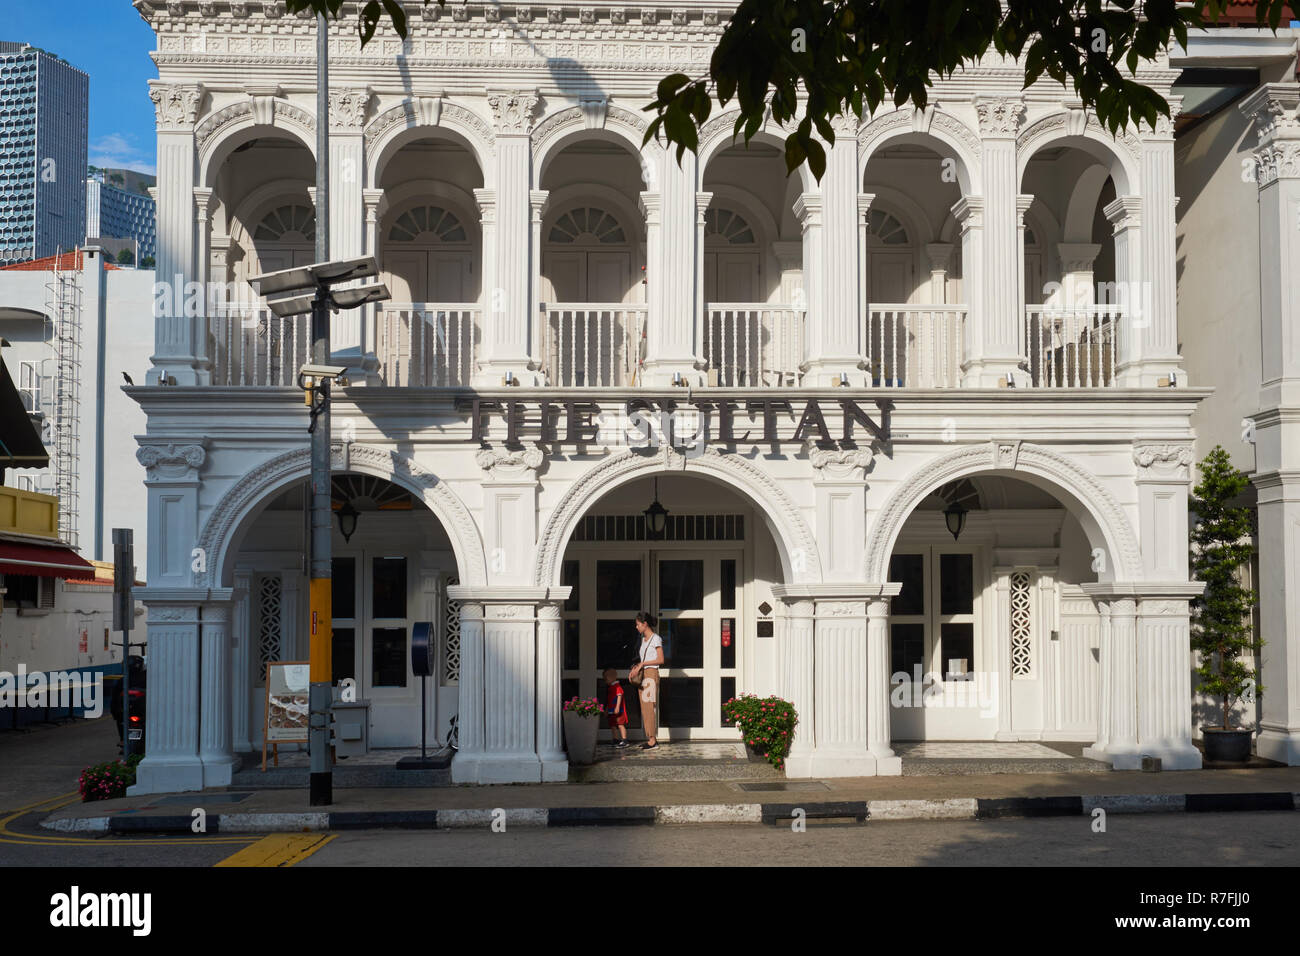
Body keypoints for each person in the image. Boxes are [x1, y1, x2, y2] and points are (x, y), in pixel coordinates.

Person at [628, 611, 664, 750]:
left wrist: (643, 664)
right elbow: (643, 659)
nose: (636, 627)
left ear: (645, 624)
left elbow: (660, 660)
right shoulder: (643, 640)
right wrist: (636, 668)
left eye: (638, 624)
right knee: (644, 707)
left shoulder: (656, 639)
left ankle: (652, 740)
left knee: (649, 706)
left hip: (651, 674)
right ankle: (650, 739)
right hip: (643, 674)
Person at [603, 667, 629, 749]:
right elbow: (609, 700)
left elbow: (619, 696)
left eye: (606, 679)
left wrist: (617, 707)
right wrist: (607, 709)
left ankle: (624, 740)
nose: (605, 681)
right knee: (613, 725)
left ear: (611, 678)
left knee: (620, 724)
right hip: (611, 711)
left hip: (618, 710)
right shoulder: (610, 688)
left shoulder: (617, 686)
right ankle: (615, 739)